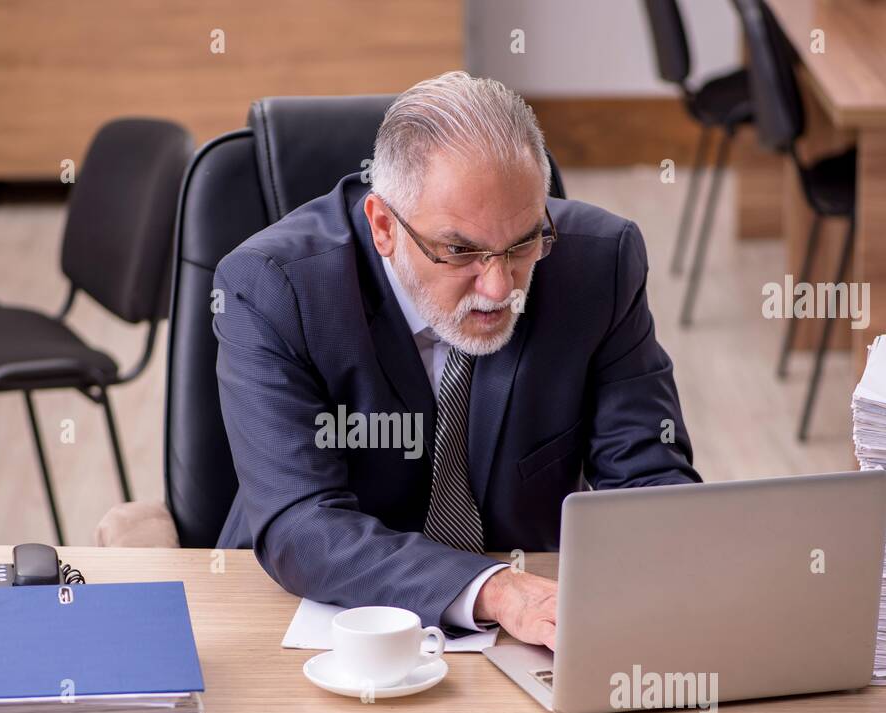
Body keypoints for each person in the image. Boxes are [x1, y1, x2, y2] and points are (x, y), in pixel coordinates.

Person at [216, 72, 700, 648]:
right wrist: (492, 590)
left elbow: (649, 474)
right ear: (384, 227)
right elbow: (302, 526)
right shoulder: (274, 288)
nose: (499, 289)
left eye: (523, 242)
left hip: (534, 630)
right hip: (316, 620)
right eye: (459, 251)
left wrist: (657, 573)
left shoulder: (600, 263)